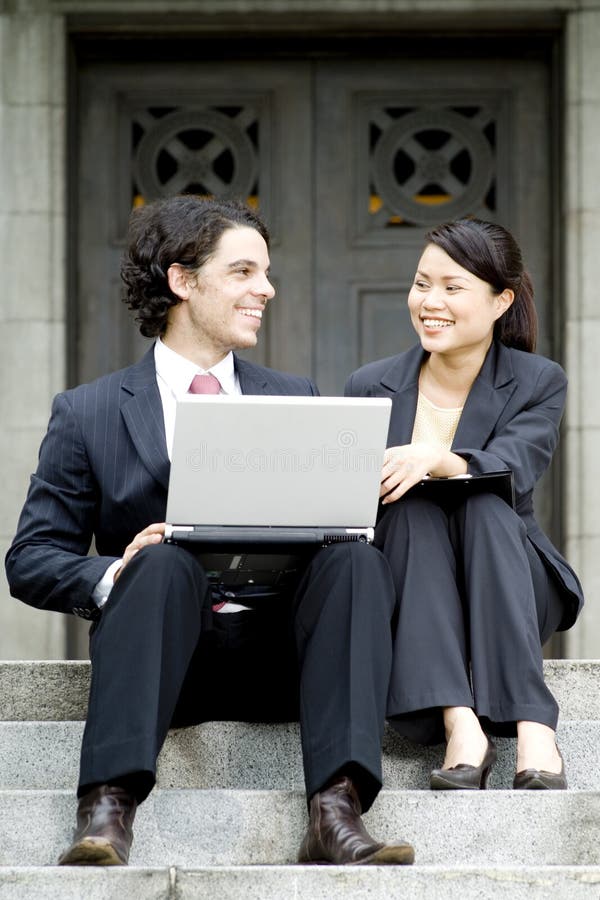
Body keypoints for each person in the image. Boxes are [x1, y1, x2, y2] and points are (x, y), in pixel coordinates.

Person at [5, 195, 414, 866]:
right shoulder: (89, 412)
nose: (267, 290)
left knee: (355, 560)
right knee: (162, 561)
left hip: (288, 661)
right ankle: (107, 810)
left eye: (266, 272)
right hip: (169, 664)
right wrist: (117, 568)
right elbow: (31, 558)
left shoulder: (295, 397)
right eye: (244, 272)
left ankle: (336, 811)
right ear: (182, 281)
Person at [345, 218, 584, 791]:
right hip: (415, 579)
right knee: (408, 509)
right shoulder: (369, 385)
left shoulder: (536, 380)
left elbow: (514, 467)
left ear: (501, 300)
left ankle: (533, 724)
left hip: (510, 577)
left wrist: (435, 455)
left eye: (453, 288)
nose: (430, 302)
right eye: (422, 283)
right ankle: (461, 725)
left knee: (482, 503)